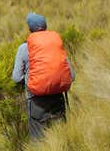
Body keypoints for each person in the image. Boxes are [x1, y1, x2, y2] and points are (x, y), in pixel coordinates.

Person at [11, 12, 75, 140]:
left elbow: (16, 77)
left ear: (30, 29)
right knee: (61, 139)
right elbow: (71, 75)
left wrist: (31, 79)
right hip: (58, 100)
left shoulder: (24, 48)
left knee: (38, 142)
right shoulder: (55, 44)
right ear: (45, 27)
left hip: (36, 101)